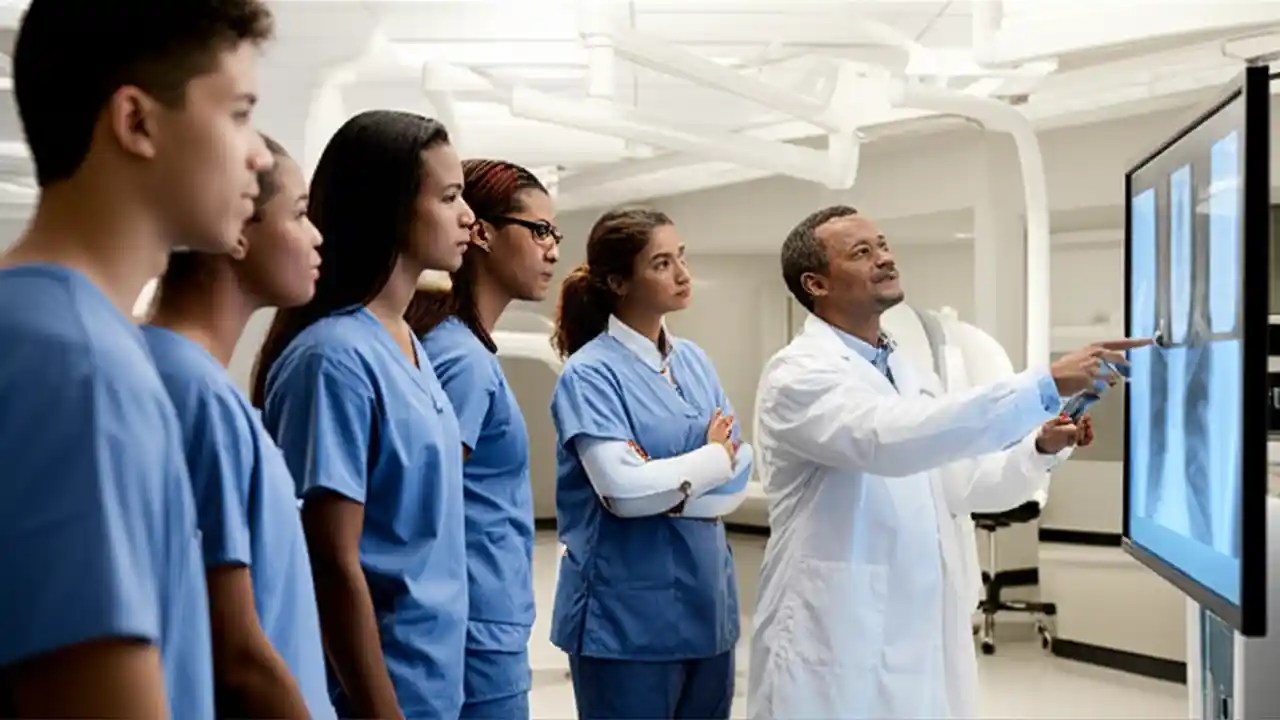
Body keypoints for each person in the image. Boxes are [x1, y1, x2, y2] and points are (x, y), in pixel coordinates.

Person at [747, 205, 1151, 720]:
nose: (886, 259)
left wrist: (1038, 449)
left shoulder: (904, 369)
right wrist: (1043, 385)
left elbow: (961, 486)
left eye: (884, 244)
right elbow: (889, 439)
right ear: (816, 283)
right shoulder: (798, 376)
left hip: (917, 630)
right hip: (835, 634)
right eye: (862, 252)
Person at [0, 2, 274, 718]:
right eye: (239, 113)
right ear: (137, 122)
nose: (262, 155)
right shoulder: (77, 365)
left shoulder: (53, 331)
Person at [254, 110, 476, 720]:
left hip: (432, 677)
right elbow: (330, 560)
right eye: (451, 197)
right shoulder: (334, 359)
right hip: (377, 692)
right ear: (391, 206)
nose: (468, 217)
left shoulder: (402, 339)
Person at [143, 134, 333, 719]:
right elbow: (240, 656)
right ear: (237, 229)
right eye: (300, 215)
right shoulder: (196, 395)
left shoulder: (176, 374)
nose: (316, 237)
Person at [548, 206, 754, 720]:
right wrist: (708, 458)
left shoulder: (694, 361)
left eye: (680, 257)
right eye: (661, 263)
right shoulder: (591, 374)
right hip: (624, 621)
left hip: (707, 609)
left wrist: (665, 482)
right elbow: (622, 492)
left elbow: (739, 471)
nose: (683, 274)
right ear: (618, 281)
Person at [406, 159, 560, 719]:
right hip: (473, 627)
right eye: (539, 230)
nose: (552, 249)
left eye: (555, 234)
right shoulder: (462, 360)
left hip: (480, 618)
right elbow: (425, 509)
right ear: (482, 232)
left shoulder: (457, 346)